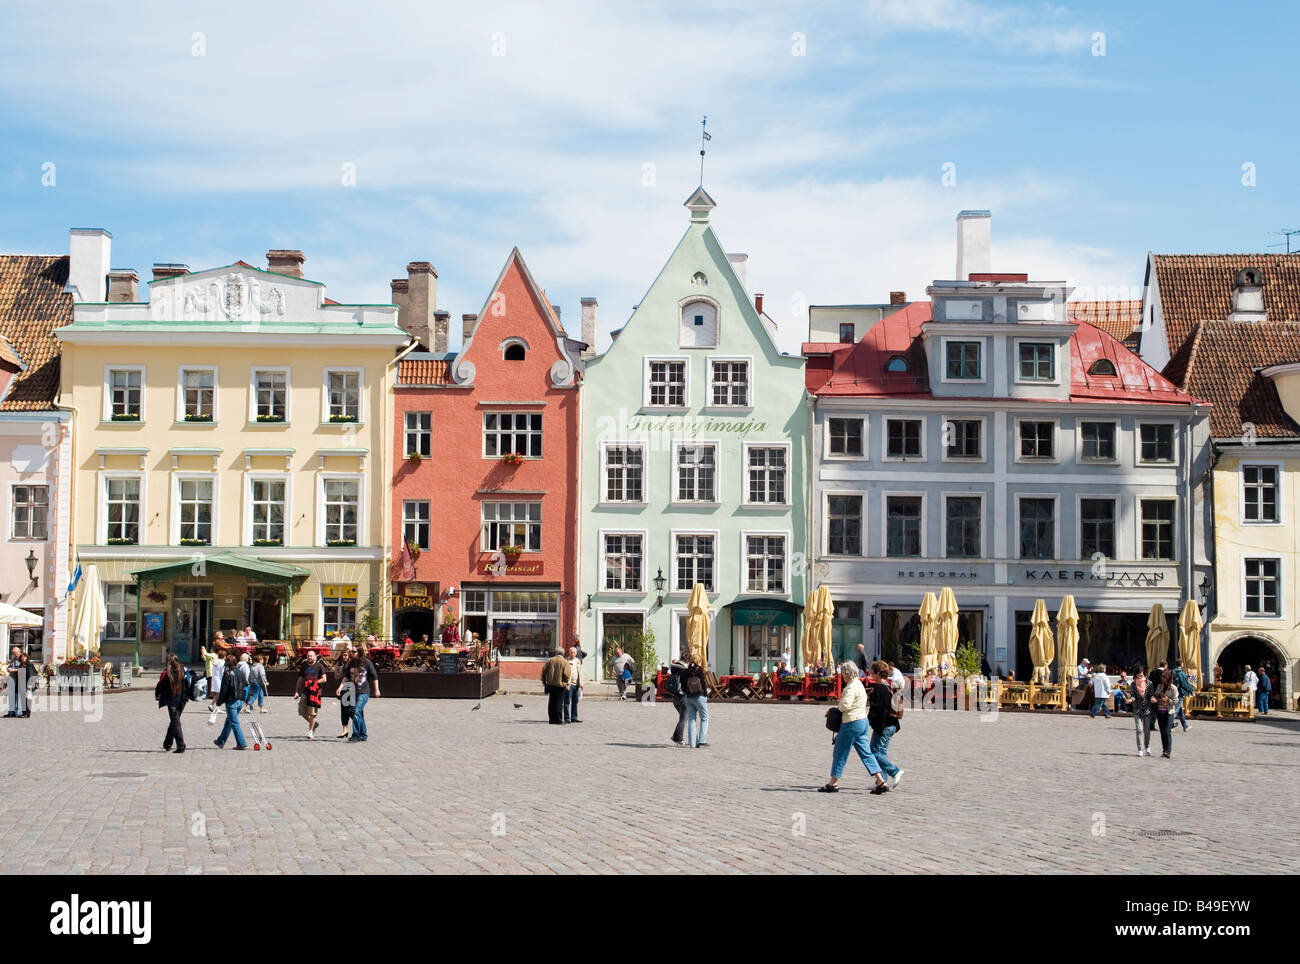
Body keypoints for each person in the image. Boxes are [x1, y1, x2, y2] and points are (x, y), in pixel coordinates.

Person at [820, 661, 889, 794]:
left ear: (847, 674)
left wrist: (834, 710)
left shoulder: (851, 687)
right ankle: (881, 781)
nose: (842, 676)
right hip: (862, 722)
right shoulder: (859, 684)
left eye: (843, 674)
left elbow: (845, 705)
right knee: (866, 753)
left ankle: (833, 783)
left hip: (851, 723)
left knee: (840, 752)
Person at [867, 660, 904, 789]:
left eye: (873, 672)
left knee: (873, 752)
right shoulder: (889, 686)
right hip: (892, 724)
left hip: (884, 726)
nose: (871, 674)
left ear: (878, 673)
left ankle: (895, 771)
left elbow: (876, 710)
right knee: (881, 752)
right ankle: (881, 781)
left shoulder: (879, 689)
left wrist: (869, 721)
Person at [212, 652, 247, 750]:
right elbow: (245, 686)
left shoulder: (227, 673)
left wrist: (219, 703)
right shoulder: (240, 672)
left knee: (234, 723)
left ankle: (241, 743)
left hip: (232, 700)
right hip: (240, 699)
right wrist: (245, 699)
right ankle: (221, 741)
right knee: (229, 722)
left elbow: (224, 689)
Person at [1120, 666, 1155, 756]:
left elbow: (1151, 694)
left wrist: (1152, 698)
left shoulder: (1149, 683)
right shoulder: (1133, 684)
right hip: (1137, 710)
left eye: (1141, 675)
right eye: (1138, 675)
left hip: (1147, 709)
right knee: (1139, 729)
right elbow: (1133, 695)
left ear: (1144, 674)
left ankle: (1147, 747)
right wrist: (1130, 700)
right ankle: (1140, 749)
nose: (1140, 677)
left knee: (1147, 730)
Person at [348, 644, 380, 742]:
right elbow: (346, 676)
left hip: (364, 692)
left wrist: (376, 689)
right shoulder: (351, 663)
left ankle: (355, 734)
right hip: (354, 692)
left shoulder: (367, 663)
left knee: (356, 712)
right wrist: (340, 687)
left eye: (353, 651)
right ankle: (363, 734)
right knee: (359, 713)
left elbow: (374, 676)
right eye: (351, 651)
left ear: (359, 652)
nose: (351, 653)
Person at [157, 654, 188, 753]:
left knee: (175, 722)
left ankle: (181, 745)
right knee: (175, 721)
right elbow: (187, 685)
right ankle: (167, 743)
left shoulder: (167, 674)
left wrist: (158, 695)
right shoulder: (183, 671)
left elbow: (160, 686)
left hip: (172, 701)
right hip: (182, 700)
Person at [295, 649, 326, 739]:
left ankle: (310, 731)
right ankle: (314, 723)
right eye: (308, 656)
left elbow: (324, 679)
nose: (309, 657)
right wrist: (297, 691)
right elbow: (300, 679)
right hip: (305, 692)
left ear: (315, 657)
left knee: (312, 713)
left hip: (315, 692)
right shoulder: (304, 666)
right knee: (301, 711)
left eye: (311, 656)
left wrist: (315, 682)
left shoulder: (319, 666)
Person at [1152, 667, 1178, 759]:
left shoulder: (1173, 688)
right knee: (1162, 732)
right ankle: (1164, 750)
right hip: (1160, 711)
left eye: (1164, 677)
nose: (1162, 679)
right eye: (1161, 677)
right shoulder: (1160, 686)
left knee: (1167, 731)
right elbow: (1155, 695)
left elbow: (1176, 701)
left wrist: (1168, 700)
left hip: (1169, 712)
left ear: (1168, 677)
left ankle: (1168, 751)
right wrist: (1156, 698)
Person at [683, 659, 710, 748]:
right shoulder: (699, 669)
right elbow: (702, 682)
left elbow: (682, 685)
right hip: (699, 696)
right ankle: (702, 740)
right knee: (704, 718)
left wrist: (687, 693)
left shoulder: (686, 671)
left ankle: (692, 743)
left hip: (688, 697)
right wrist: (705, 694)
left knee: (692, 720)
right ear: (699, 662)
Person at [541, 647, 571, 724]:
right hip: (560, 685)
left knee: (551, 701)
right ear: (563, 653)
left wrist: (544, 682)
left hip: (551, 684)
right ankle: (558, 719)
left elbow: (543, 672)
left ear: (556, 653)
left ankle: (551, 719)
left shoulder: (550, 661)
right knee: (559, 702)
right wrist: (566, 682)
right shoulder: (565, 662)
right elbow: (567, 674)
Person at [334, 645, 356, 739]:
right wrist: (338, 667)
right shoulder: (342, 665)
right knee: (344, 710)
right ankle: (345, 730)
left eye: (346, 655)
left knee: (351, 710)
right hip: (344, 688)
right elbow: (337, 677)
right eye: (343, 655)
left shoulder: (353, 664)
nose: (344, 657)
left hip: (352, 689)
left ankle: (358, 728)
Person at [666, 656, 688, 746]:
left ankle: (675, 736)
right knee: (684, 718)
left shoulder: (674, 668)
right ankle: (679, 738)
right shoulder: (684, 670)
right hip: (683, 696)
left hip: (675, 697)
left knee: (682, 718)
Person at [1172, 659, 1195, 729]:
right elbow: (1185, 683)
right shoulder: (1181, 673)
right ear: (1181, 664)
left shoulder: (1172, 672)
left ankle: (1185, 726)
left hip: (1172, 692)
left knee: (1180, 710)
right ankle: (1169, 725)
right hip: (1179, 693)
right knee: (1176, 710)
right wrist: (1191, 691)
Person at [564, 645, 583, 724]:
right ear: (569, 653)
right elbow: (564, 673)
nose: (573, 654)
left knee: (575, 702)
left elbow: (580, 672)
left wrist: (581, 683)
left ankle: (574, 717)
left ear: (576, 653)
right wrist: (566, 684)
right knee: (567, 701)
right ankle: (567, 718)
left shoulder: (578, 661)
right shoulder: (566, 661)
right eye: (571, 652)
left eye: (574, 653)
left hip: (576, 684)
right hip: (569, 684)